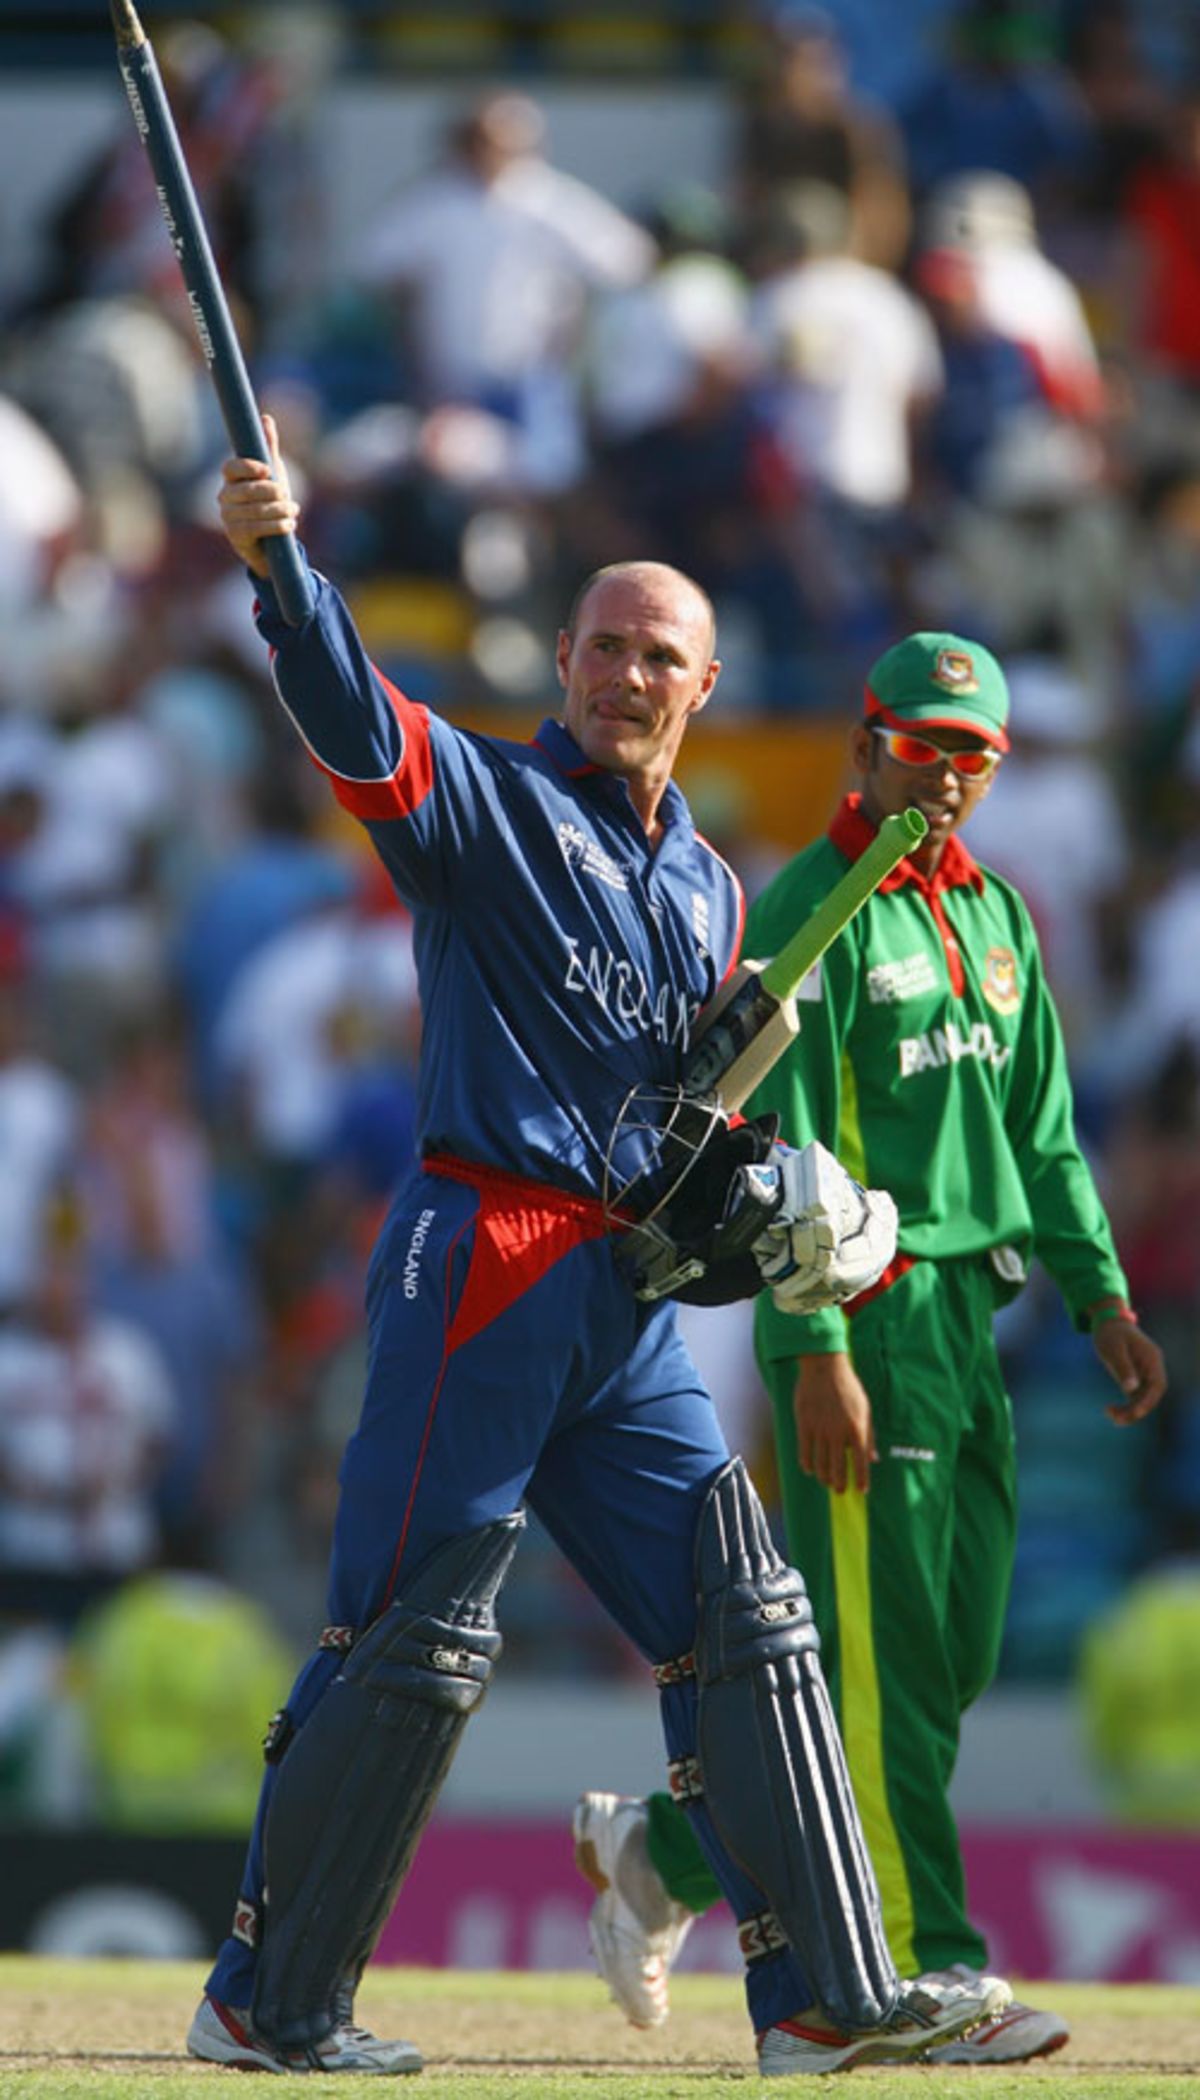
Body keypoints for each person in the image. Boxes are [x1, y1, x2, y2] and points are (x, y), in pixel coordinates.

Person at [185, 433, 1007, 2077]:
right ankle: (264, 2010)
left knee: (754, 1614)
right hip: (483, 1252)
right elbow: (357, 720)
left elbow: (670, 1132)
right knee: (416, 1640)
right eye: (607, 645)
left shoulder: (709, 885)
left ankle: (827, 2005)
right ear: (563, 662)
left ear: (707, 685)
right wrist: (285, 576)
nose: (630, 673)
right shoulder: (487, 802)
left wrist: (779, 1196)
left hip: (618, 1303)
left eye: (662, 655)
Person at [573, 629, 1167, 2063]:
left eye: (972, 756)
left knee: (932, 1660)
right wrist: (819, 1341)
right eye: (919, 744)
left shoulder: (1004, 919)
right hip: (858, 1310)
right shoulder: (813, 906)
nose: (945, 776)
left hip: (975, 1321)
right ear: (862, 742)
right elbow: (793, 1149)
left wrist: (1100, 1294)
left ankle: (664, 1850)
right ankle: (929, 1961)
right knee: (887, 1663)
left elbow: (1042, 1134)